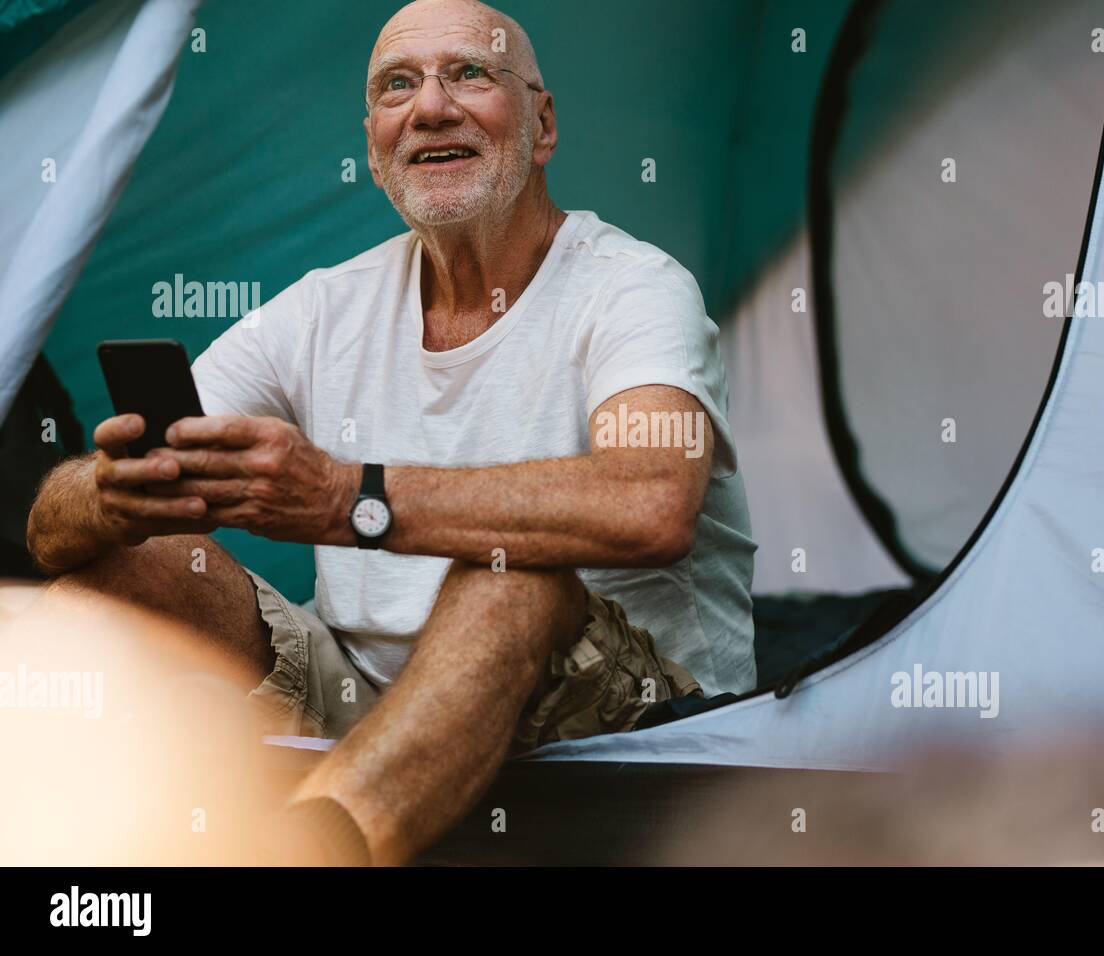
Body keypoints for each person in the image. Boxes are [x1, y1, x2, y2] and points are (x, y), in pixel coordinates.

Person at [25, 0, 756, 866]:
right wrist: (110, 493)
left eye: (471, 73)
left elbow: (652, 502)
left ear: (544, 123)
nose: (432, 107)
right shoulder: (326, 306)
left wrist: (349, 497)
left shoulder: (632, 288)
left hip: (624, 714)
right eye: (397, 87)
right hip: (363, 700)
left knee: (508, 569)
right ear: (375, 146)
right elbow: (48, 532)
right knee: (118, 574)